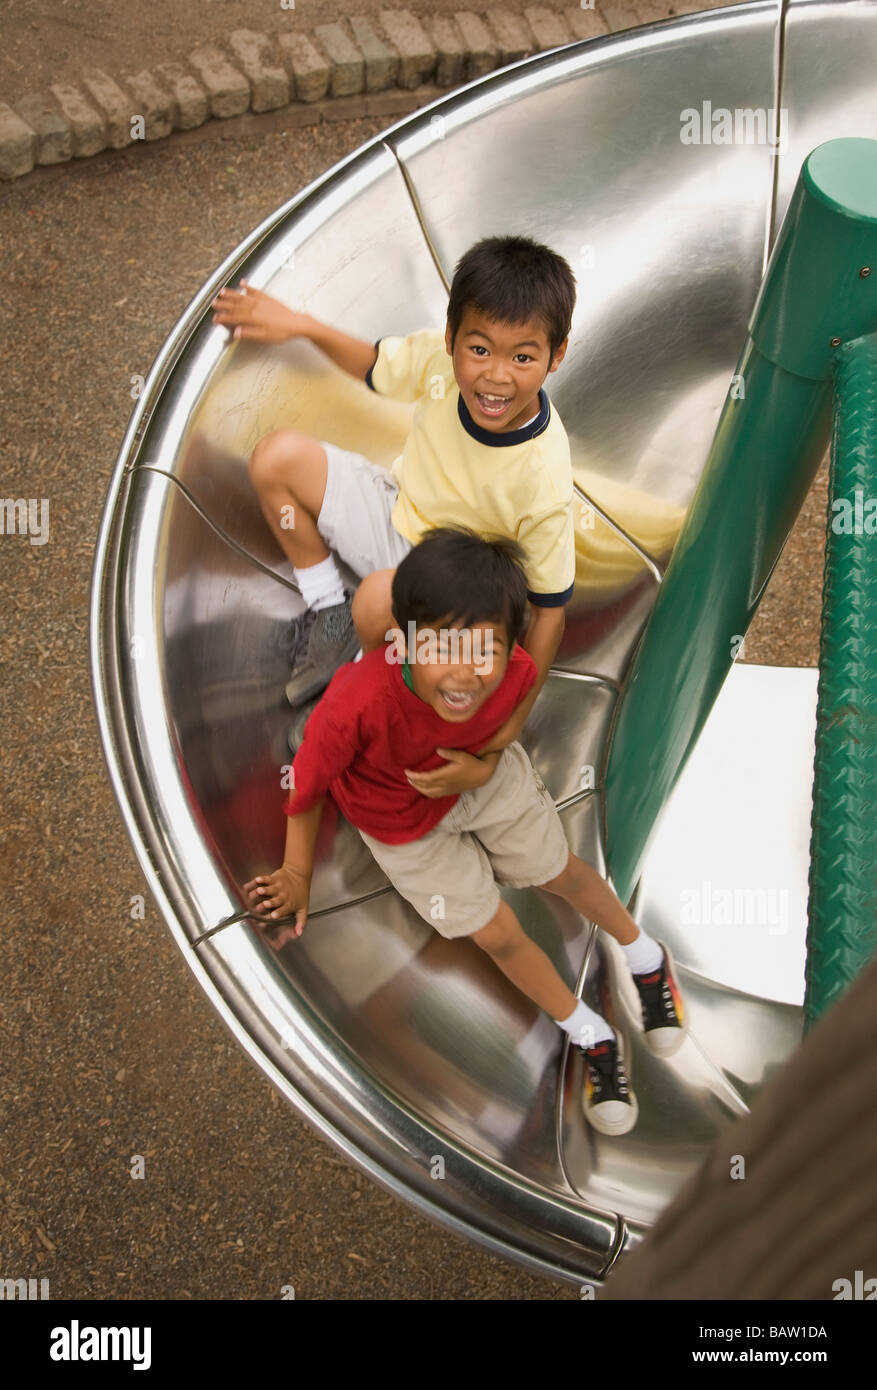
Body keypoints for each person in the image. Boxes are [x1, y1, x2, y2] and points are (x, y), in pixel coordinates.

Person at [244, 529, 687, 1136]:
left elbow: (523, 683)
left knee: (560, 872)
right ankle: (592, 1034)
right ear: (401, 641)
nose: (466, 673)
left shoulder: (511, 671)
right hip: (401, 826)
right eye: (442, 647)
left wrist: (487, 759)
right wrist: (296, 874)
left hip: (483, 780)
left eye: (487, 650)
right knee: (497, 933)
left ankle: (645, 957)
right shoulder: (356, 702)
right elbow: (309, 785)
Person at [211, 234, 577, 769]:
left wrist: (506, 730)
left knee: (381, 597)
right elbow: (374, 367)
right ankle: (328, 612)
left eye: (523, 357)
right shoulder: (437, 361)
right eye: (479, 350)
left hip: (461, 590)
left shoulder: (541, 476)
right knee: (275, 459)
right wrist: (300, 324)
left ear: (556, 356)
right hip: (398, 515)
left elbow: (550, 614)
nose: (496, 376)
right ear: (452, 339)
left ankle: (358, 695)